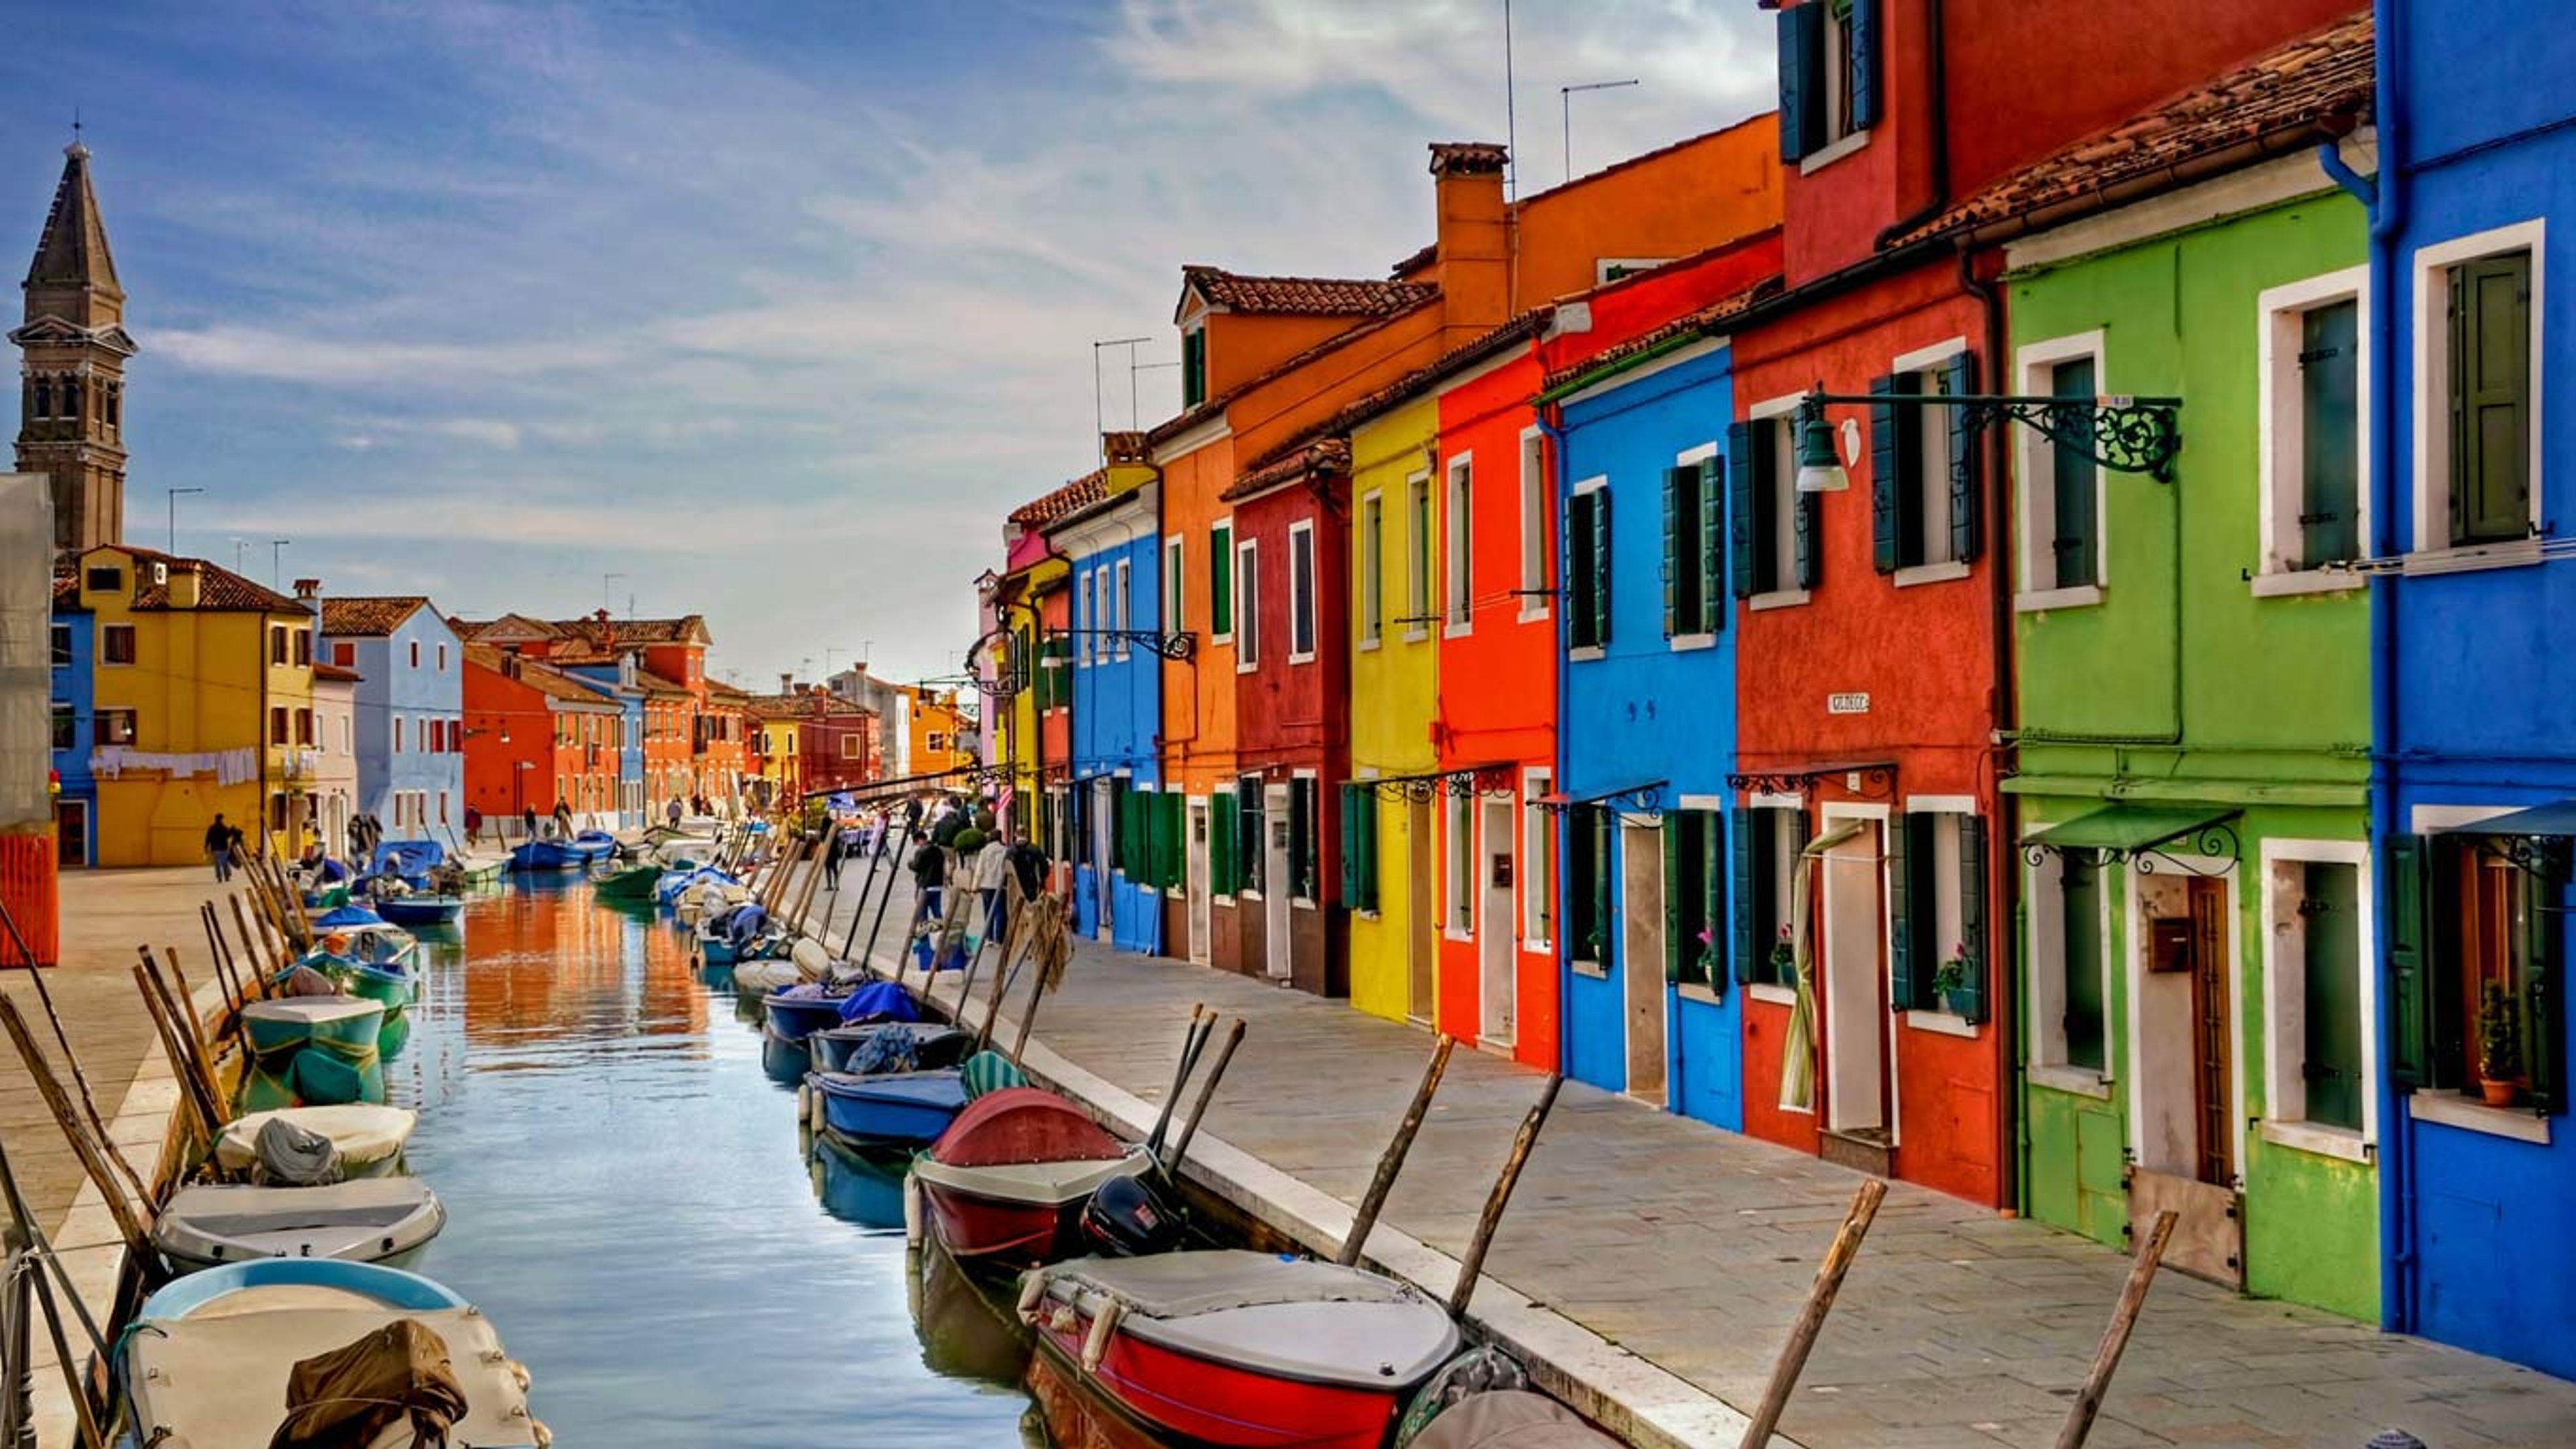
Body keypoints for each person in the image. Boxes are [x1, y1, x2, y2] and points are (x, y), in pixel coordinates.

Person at [205, 814, 234, 883]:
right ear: (221, 819)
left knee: (217, 864)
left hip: (215, 849)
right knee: (225, 863)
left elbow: (208, 838)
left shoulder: (212, 828)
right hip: (224, 848)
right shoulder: (224, 827)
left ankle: (219, 877)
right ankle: (227, 877)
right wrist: (231, 830)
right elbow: (228, 836)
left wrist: (206, 846)